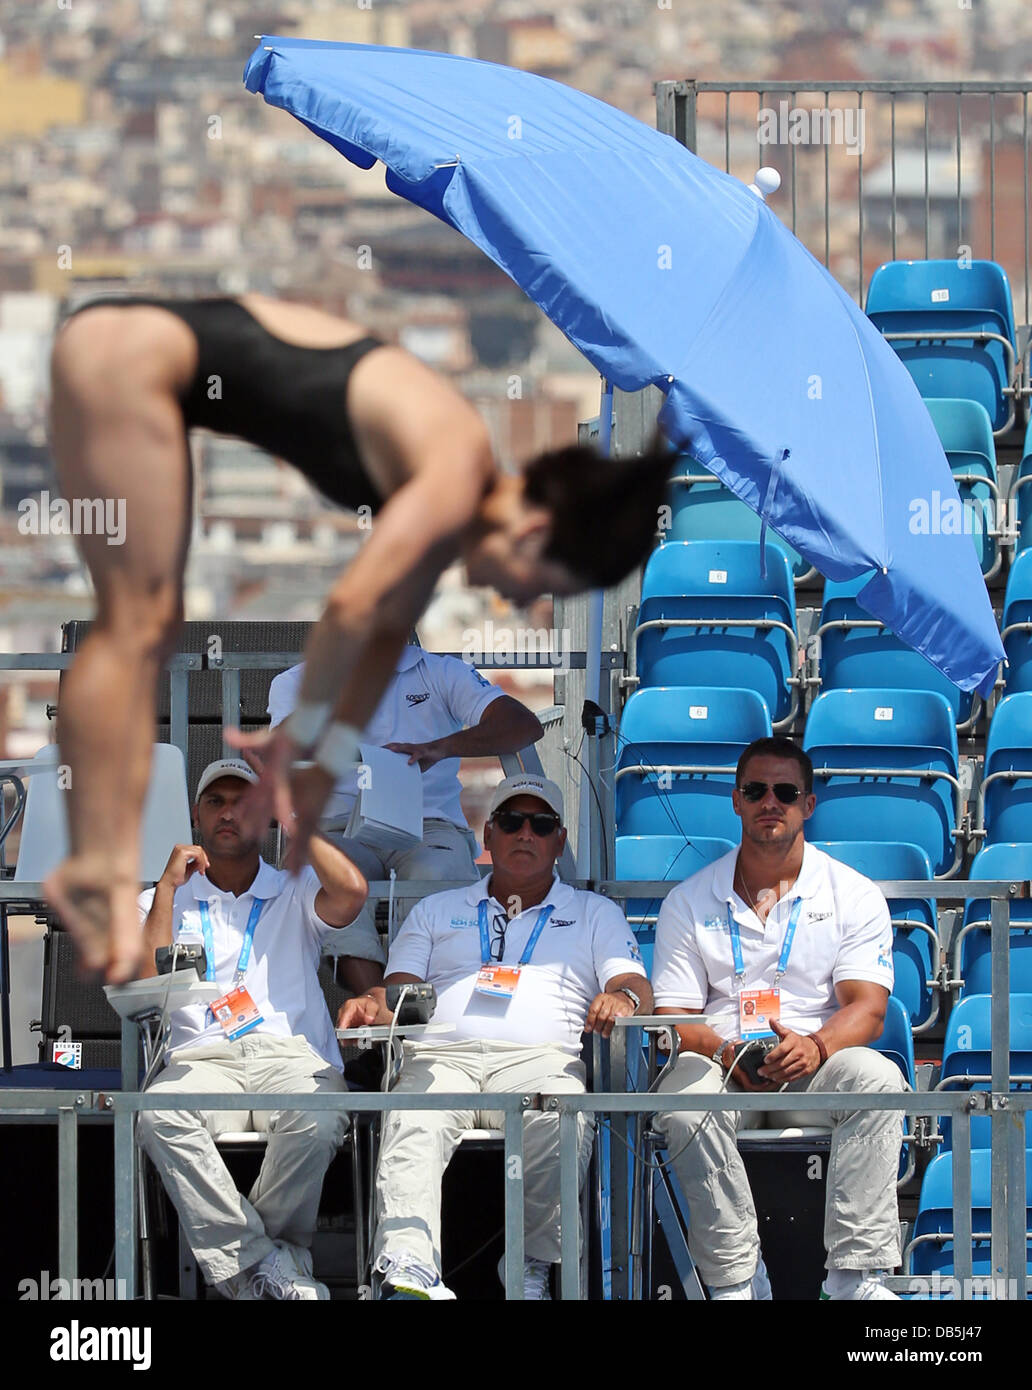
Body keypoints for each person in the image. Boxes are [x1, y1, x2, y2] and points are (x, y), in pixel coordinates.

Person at [45, 293, 673, 982]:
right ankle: (95, 869)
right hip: (128, 358)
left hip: (143, 363)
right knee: (138, 621)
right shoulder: (455, 471)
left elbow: (375, 642)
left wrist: (322, 752)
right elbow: (349, 606)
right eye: (540, 581)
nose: (522, 599)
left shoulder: (446, 516)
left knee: (144, 620)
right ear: (534, 531)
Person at [338, 772, 652, 1300]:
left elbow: (633, 980)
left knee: (563, 1115)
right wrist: (373, 1003)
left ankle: (530, 1266)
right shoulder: (438, 910)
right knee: (412, 1113)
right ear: (488, 837)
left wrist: (625, 1000)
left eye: (541, 823)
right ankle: (408, 1271)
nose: (524, 833)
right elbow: (397, 992)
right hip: (443, 1057)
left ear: (559, 841)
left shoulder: (594, 912)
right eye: (510, 821)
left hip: (541, 1061)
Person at [652, 735, 905, 1302]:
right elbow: (673, 1017)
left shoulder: (853, 893)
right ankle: (736, 1283)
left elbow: (868, 1007)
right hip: (721, 1062)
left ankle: (855, 1280)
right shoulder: (689, 899)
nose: (772, 802)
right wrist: (724, 1051)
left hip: (811, 1065)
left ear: (808, 805)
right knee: (682, 1102)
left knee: (880, 1081)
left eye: (786, 791)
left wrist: (815, 1046)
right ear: (735, 800)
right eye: (756, 790)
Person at [135, 757, 378, 1300]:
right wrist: (167, 888)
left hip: (289, 1058)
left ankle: (251, 1273)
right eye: (216, 802)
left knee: (319, 1118)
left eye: (244, 802)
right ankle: (268, 1265)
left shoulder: (295, 887)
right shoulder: (163, 899)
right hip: (202, 1061)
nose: (229, 813)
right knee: (155, 1116)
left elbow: (353, 893)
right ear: (196, 816)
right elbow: (141, 982)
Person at [268, 644, 544, 886]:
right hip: (336, 828)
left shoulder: (442, 672)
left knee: (436, 874)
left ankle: (415, 947)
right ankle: (352, 949)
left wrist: (437, 748)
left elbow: (522, 724)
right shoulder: (297, 681)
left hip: (430, 827)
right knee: (318, 874)